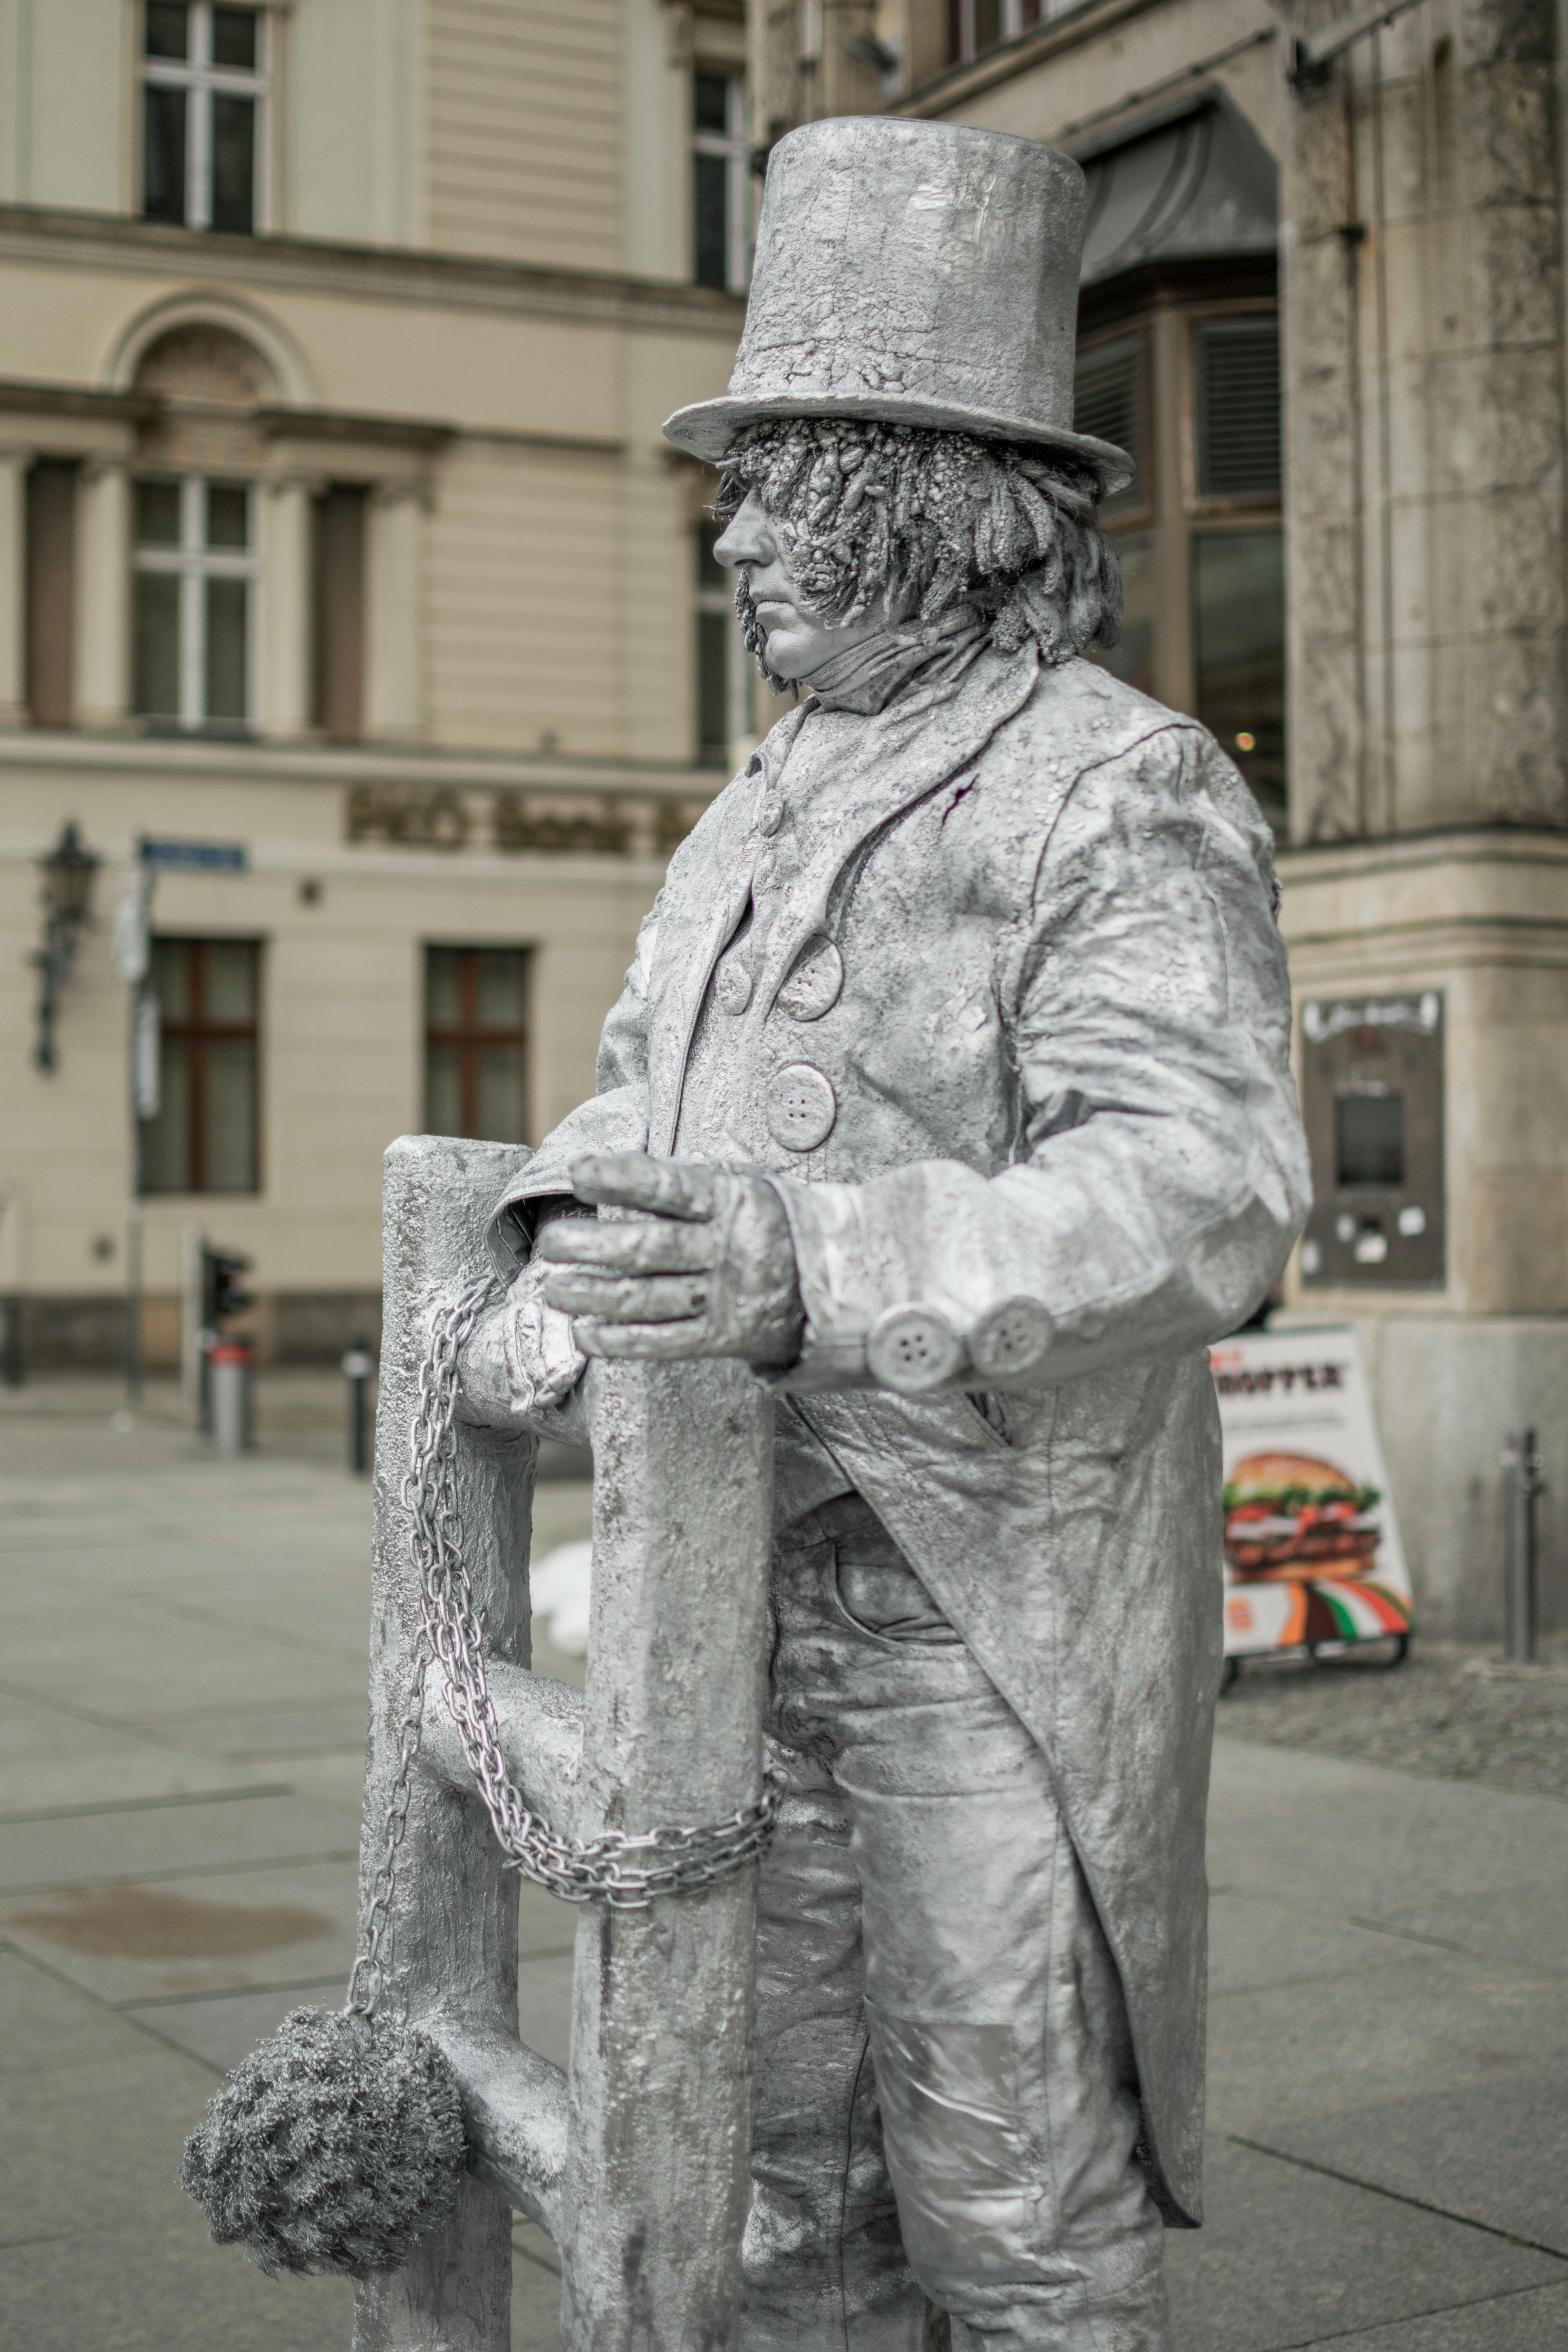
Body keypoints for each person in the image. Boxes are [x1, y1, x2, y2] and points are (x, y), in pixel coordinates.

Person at [464, 117, 1309, 2352]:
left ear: (931, 508)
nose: (733, 535)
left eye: (783, 485)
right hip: (733, 1582)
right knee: (767, 2186)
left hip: (993, 1617)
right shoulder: (743, 815)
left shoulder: (1113, 784)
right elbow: (646, 1097)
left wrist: (812, 1266)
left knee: (1007, 2196)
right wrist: (550, 1235)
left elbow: (1206, 1191)